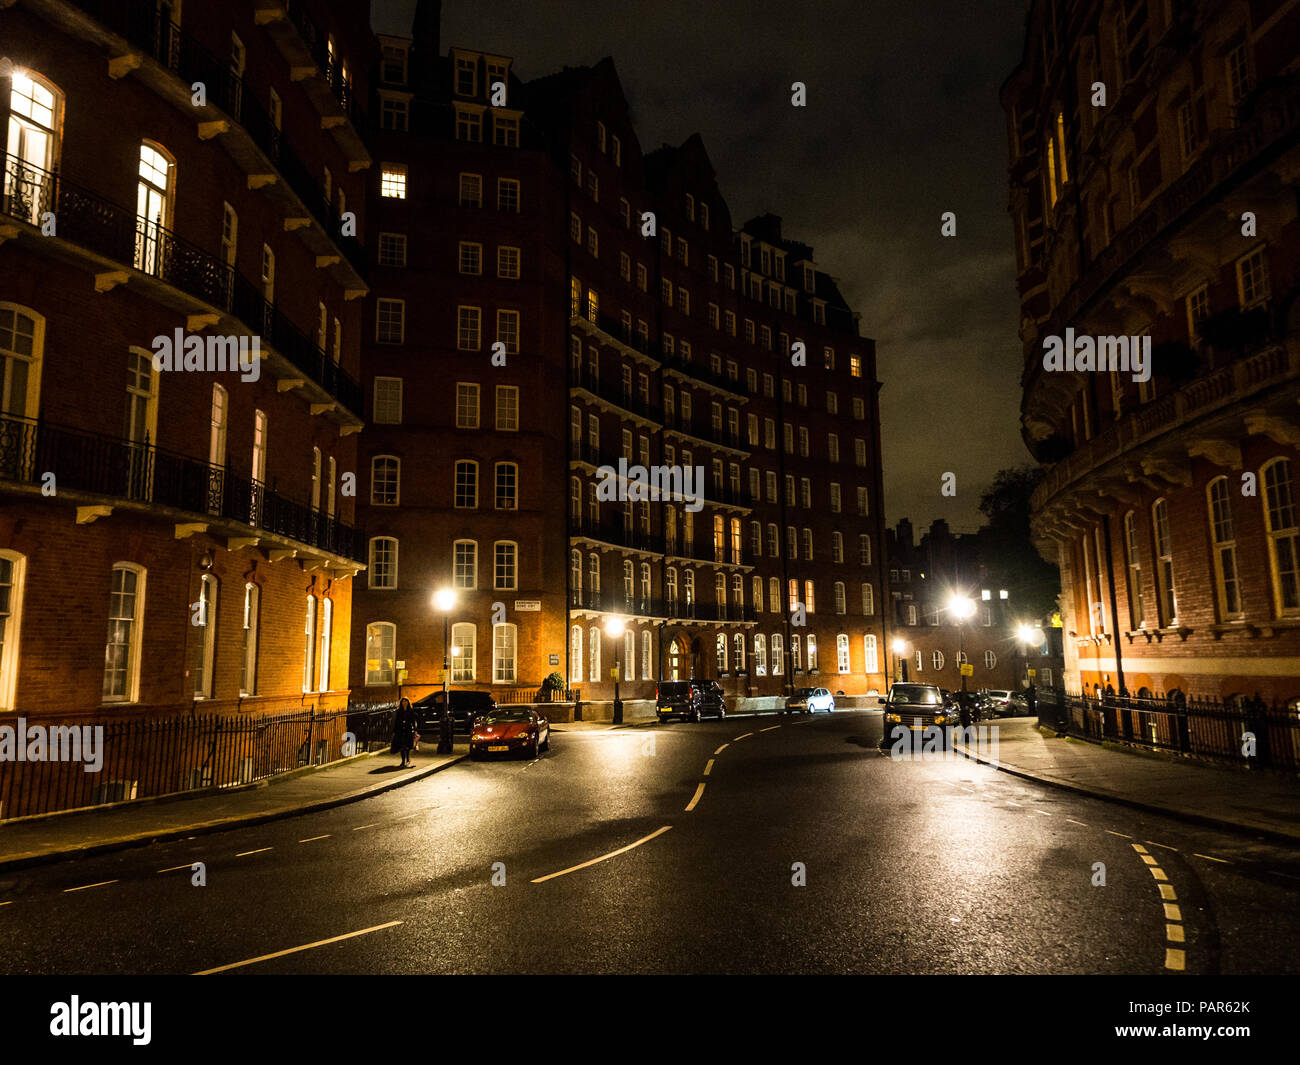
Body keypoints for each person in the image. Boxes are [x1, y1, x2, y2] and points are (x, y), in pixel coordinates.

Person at [393, 697, 418, 768]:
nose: (404, 703)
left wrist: (415, 730)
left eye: (406, 701)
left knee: (407, 746)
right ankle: (403, 760)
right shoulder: (399, 711)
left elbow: (413, 721)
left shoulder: (411, 711)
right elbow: (396, 721)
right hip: (400, 730)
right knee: (401, 746)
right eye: (403, 701)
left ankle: (407, 758)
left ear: (408, 702)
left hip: (408, 729)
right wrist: (395, 730)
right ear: (401, 703)